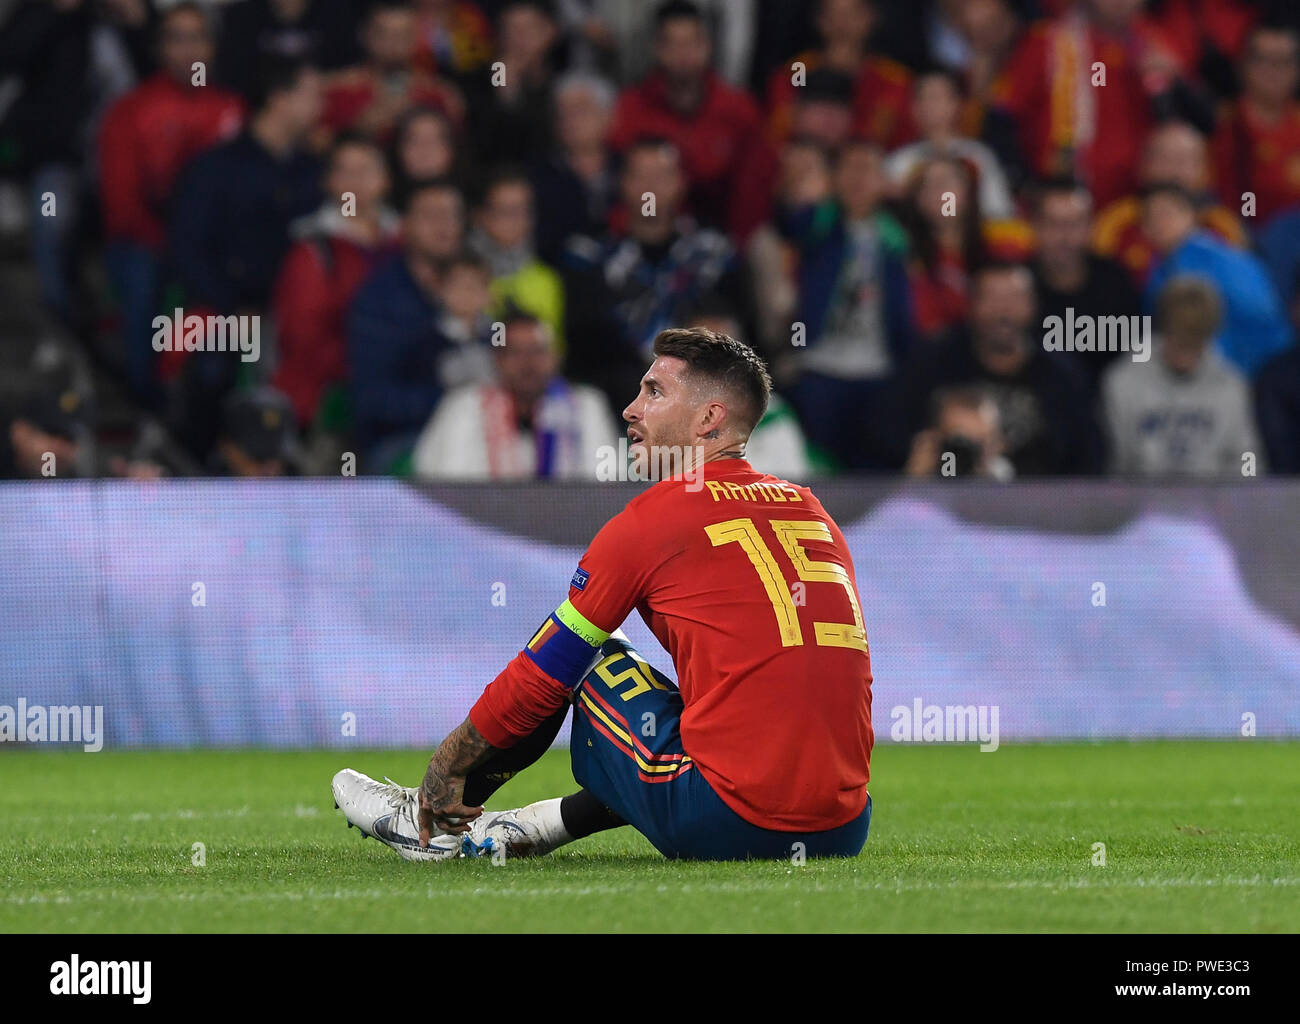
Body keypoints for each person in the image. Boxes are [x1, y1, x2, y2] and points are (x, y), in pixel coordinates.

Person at [333, 326, 875, 861]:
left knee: (588, 655)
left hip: (729, 821)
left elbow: (539, 677)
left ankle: (434, 824)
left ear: (709, 420)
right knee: (716, 710)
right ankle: (530, 827)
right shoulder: (811, 510)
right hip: (846, 827)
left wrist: (446, 766)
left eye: (655, 392)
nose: (630, 410)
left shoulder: (654, 518)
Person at [99, 1, 244, 406]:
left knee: (242, 286)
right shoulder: (131, 110)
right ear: (160, 49)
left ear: (212, 47)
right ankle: (145, 399)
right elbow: (122, 203)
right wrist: (178, 245)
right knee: (146, 282)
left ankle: (222, 408)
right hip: (151, 242)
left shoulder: (229, 108)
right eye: (176, 39)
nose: (187, 51)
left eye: (196, 38)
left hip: (213, 248)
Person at [608, 0, 776, 243]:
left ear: (707, 46)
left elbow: (754, 188)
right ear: (657, 49)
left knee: (766, 247)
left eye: (691, 43)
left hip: (728, 236)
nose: (682, 54)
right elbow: (621, 187)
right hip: (648, 236)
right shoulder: (630, 109)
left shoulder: (739, 109)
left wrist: (732, 246)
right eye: (672, 44)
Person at [347, 179, 481, 471]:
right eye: (431, 216)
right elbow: (373, 401)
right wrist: (454, 404)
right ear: (405, 224)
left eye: (451, 215)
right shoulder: (379, 299)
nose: (443, 226)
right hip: (406, 439)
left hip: (480, 436)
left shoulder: (482, 290)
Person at [272, 134, 399, 430]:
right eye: (345, 171)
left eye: (366, 170)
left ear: (386, 179)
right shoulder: (312, 248)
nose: (355, 181)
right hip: (328, 396)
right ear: (329, 181)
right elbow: (303, 340)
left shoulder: (406, 240)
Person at [411, 310, 618, 479]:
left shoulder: (586, 405)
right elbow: (446, 485)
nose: (527, 363)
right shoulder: (465, 406)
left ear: (555, 358)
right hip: (479, 524)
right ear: (498, 360)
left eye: (538, 351)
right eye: (515, 352)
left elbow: (604, 487)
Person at [1102, 275, 1262, 477]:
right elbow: (1113, 466)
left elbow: (1248, 457)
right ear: (1164, 329)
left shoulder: (1232, 387)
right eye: (1179, 342)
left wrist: (1249, 491)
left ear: (1209, 335)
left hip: (1214, 504)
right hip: (1141, 503)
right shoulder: (1122, 383)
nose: (1186, 357)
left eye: (1195, 344)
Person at [1142, 183, 1294, 378]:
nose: (1159, 224)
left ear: (1192, 217)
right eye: (1151, 218)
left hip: (1249, 370)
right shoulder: (1160, 268)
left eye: (1167, 214)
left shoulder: (1217, 260)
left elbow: (1259, 318)